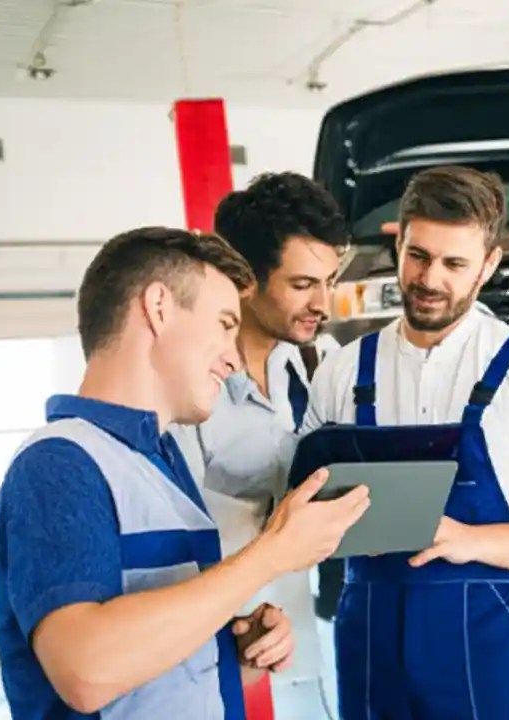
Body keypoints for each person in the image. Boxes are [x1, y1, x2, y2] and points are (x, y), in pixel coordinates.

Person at [0, 226, 369, 719]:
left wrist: (234, 648)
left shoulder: (161, 461)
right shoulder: (60, 463)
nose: (234, 360)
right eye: (225, 324)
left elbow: (150, 664)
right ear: (159, 307)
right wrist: (270, 554)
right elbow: (86, 671)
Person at [302, 166, 509, 719]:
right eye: (418, 256)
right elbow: (296, 500)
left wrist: (466, 540)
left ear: (489, 264)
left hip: (493, 635)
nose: (430, 279)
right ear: (397, 241)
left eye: (454, 264)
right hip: (371, 638)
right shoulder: (340, 372)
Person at [171, 172, 348, 679]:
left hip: (309, 626)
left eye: (328, 283)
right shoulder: (190, 386)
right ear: (246, 279)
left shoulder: (323, 362)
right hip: (211, 631)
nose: (323, 305)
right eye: (302, 285)